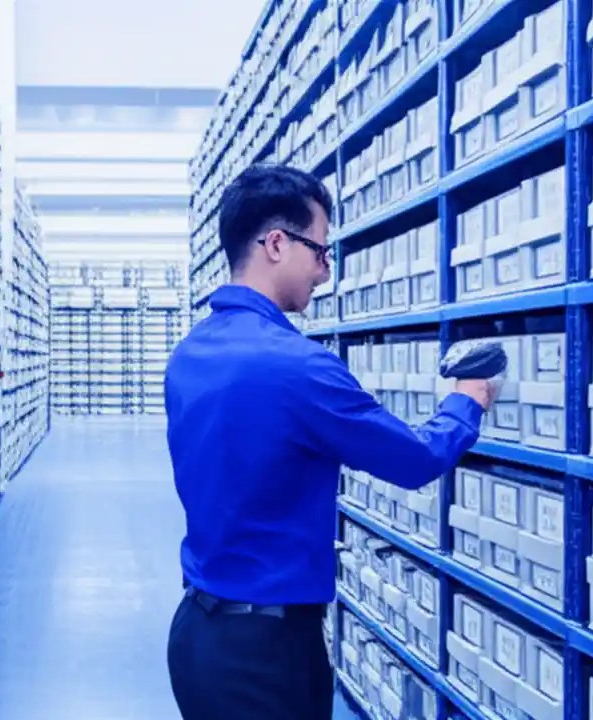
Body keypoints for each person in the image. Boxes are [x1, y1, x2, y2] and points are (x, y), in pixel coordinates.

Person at [164, 164, 496, 720]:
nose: (324, 271)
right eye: (320, 251)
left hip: (199, 635)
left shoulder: (189, 354)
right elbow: (416, 460)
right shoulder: (298, 367)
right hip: (264, 653)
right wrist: (467, 400)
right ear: (276, 243)